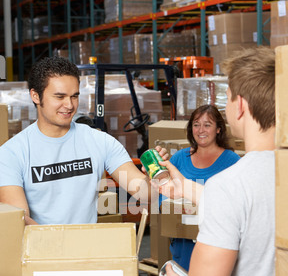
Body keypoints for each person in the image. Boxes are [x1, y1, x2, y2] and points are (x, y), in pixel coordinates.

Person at [160, 46, 276, 276]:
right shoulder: (287, 172)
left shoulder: (232, 183)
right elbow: (259, 208)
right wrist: (190, 191)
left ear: (239, 106)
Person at [0, 57, 166, 225]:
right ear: (35, 96)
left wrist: (155, 177)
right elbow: (19, 220)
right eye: (60, 97)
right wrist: (58, 245)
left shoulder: (100, 141)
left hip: (87, 247)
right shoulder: (12, 153)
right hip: (41, 248)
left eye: (74, 96)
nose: (69, 105)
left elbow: (144, 194)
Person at [166, 104, 240, 271]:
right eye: (196, 124)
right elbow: (164, 198)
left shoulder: (232, 161)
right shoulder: (179, 158)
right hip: (183, 246)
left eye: (207, 125)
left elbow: (237, 203)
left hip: (217, 247)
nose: (201, 130)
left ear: (218, 129)